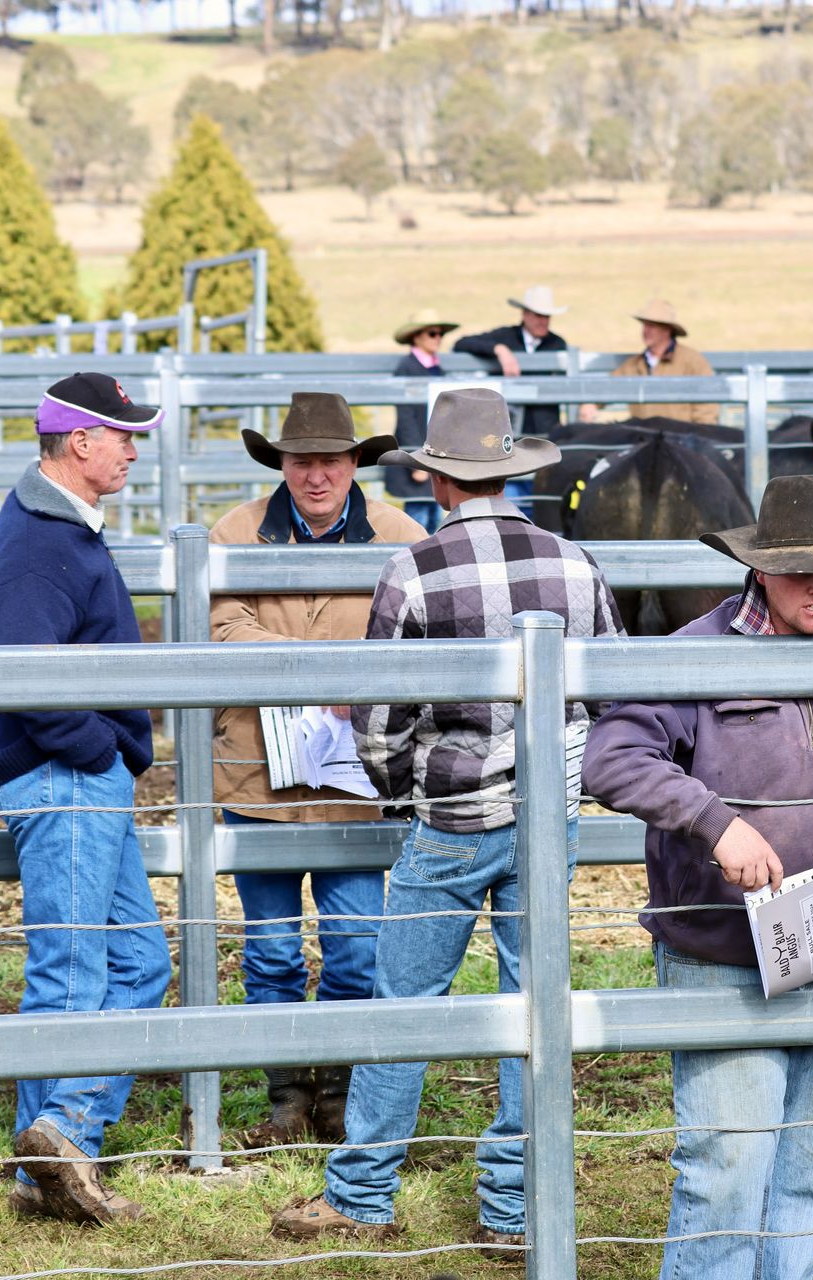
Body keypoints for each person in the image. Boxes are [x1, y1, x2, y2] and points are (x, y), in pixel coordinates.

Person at [271, 387, 618, 1251]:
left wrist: (402, 787)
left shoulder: (415, 570)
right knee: (531, 1001)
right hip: (551, 817)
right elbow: (610, 689)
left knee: (405, 999)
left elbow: (382, 715)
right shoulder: (576, 564)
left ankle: (362, 1190)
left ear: (437, 481)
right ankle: (513, 1206)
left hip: (455, 817)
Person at [588, 474, 813, 1280]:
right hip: (721, 942)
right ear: (760, 568)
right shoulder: (698, 653)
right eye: (800, 570)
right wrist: (713, 821)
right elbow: (612, 758)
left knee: (809, 1158)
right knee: (727, 1159)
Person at [0, 372, 171, 1225]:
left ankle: (52, 1144)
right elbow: (32, 680)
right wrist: (100, 751)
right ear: (79, 440)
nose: (133, 448)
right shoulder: (37, 546)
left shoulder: (57, 530)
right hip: (66, 775)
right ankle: (58, 1142)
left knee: (135, 963)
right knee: (77, 966)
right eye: (123, 434)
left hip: (81, 774)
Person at [208, 392, 426, 1152]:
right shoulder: (233, 532)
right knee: (268, 947)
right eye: (301, 460)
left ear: (354, 463)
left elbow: (419, 632)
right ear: (282, 464)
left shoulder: (401, 536)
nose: (316, 474)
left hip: (355, 781)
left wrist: (357, 687)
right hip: (255, 777)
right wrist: (307, 674)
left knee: (357, 941)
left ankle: (337, 1086)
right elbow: (219, 620)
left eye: (331, 460)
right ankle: (285, 1095)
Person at [453, 285, 569, 437]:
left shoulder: (557, 343)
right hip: (507, 422)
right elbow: (462, 343)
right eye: (538, 315)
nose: (543, 321)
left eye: (546, 316)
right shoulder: (506, 336)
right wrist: (498, 349)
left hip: (544, 424)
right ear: (525, 315)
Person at [387, 309, 457, 532]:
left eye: (439, 334)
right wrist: (415, 460)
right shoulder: (407, 368)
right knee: (417, 520)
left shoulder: (436, 370)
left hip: (433, 453)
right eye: (432, 333)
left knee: (432, 515)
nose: (438, 338)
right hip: (420, 454)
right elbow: (405, 416)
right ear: (416, 336)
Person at [607, 298, 717, 424]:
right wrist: (591, 404)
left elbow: (706, 410)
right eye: (644, 325)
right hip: (643, 439)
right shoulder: (633, 365)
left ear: (667, 330)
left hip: (678, 438)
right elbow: (605, 388)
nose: (645, 331)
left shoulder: (692, 361)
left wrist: (699, 437)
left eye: (651, 326)